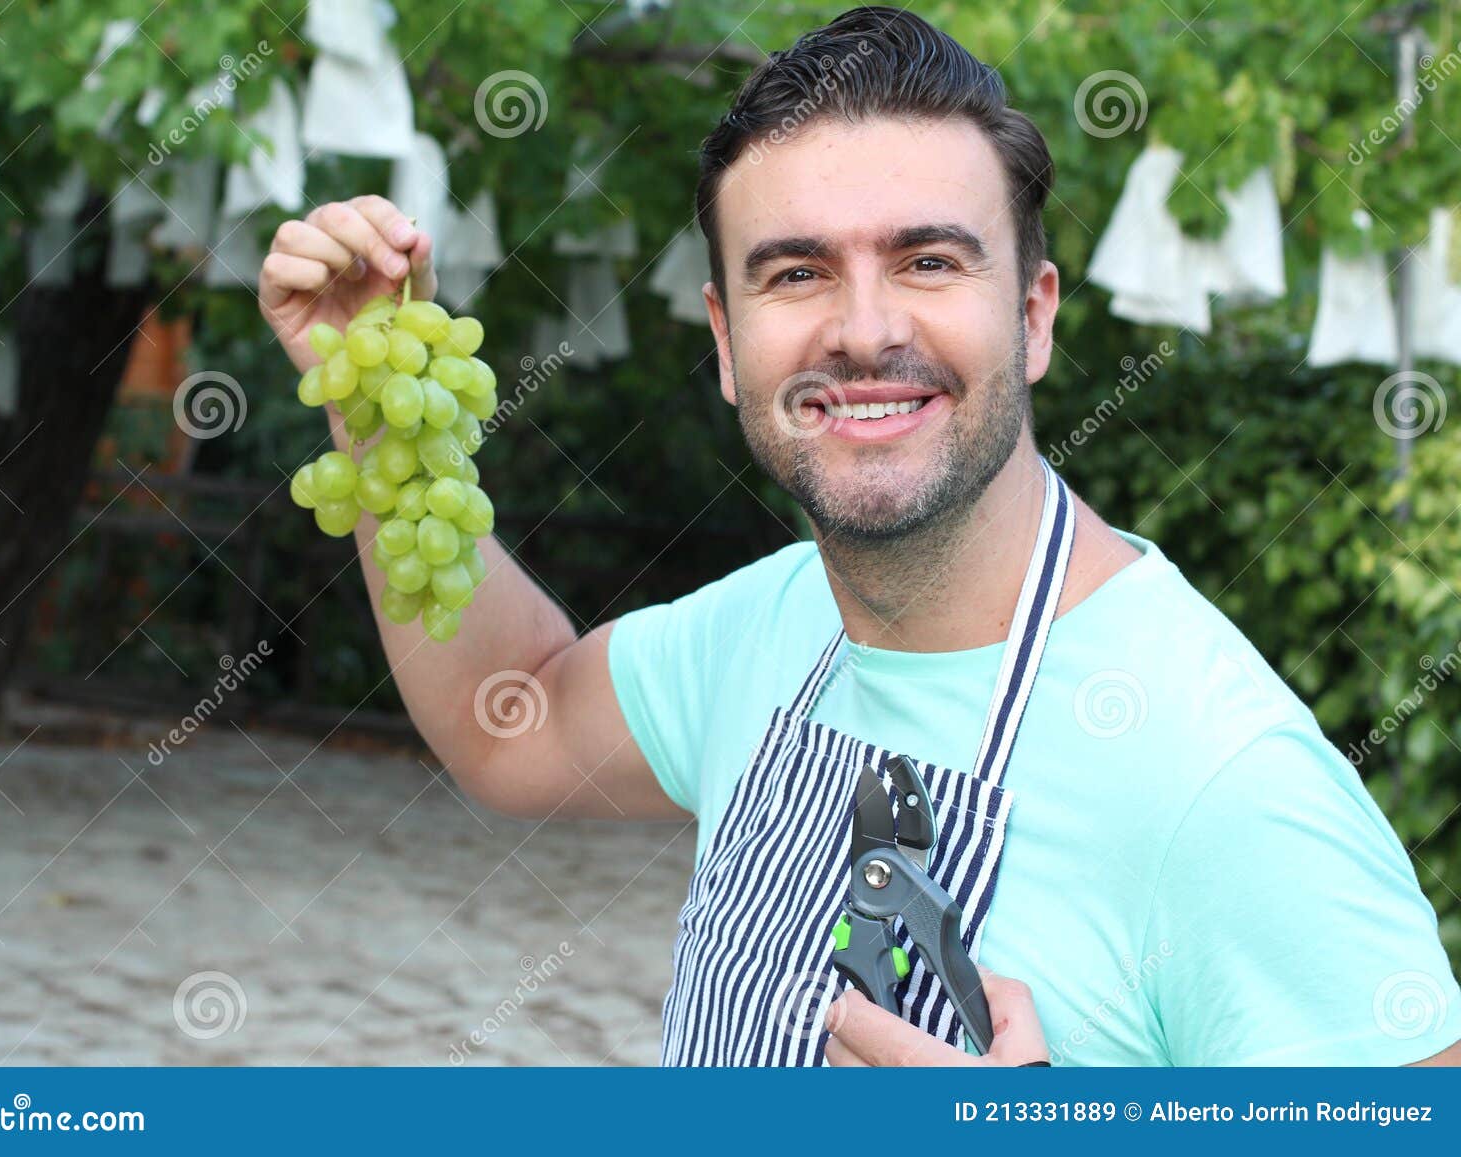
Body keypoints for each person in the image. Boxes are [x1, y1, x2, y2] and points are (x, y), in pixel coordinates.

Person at [258, 5, 1461, 1067]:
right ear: (726, 344)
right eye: (796, 273)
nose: (864, 328)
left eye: (928, 259)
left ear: (1032, 315)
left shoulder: (1219, 775)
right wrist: (375, 410)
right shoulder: (773, 621)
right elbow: (506, 715)